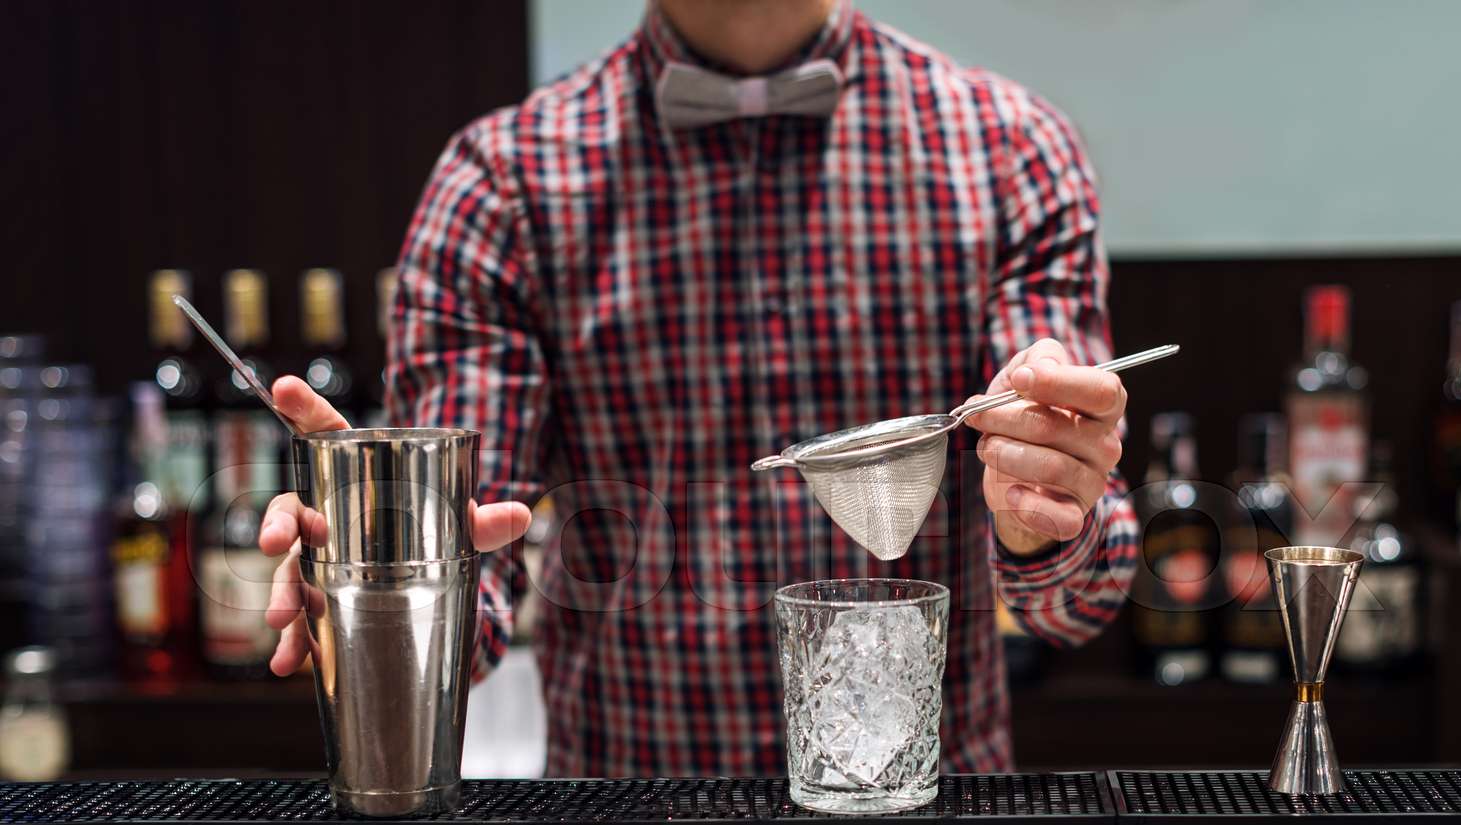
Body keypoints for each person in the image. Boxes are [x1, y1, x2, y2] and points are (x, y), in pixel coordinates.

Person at [258, 0, 1139, 778]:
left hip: (923, 820)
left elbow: (1079, 601)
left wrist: (1040, 510)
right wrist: (380, 580)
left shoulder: (1012, 150)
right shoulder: (501, 183)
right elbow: (472, 577)